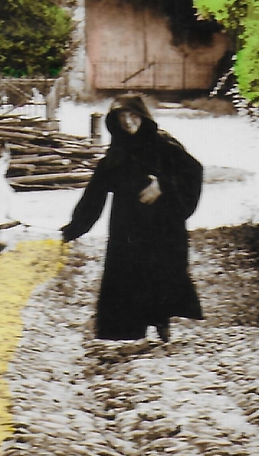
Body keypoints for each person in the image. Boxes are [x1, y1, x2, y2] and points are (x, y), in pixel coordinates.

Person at [61, 94, 203, 341]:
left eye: (133, 115)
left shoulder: (163, 145)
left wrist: (163, 186)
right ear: (114, 122)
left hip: (162, 223)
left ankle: (162, 322)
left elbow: (193, 171)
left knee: (160, 271)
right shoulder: (115, 155)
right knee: (128, 275)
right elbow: (94, 195)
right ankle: (130, 332)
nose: (128, 122)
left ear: (143, 117)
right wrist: (74, 228)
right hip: (127, 226)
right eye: (122, 117)